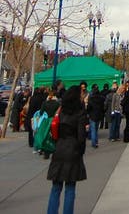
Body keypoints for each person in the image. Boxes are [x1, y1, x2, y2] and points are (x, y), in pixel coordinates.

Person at [46, 84, 87, 214]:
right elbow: (81, 137)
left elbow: (54, 130)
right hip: (73, 150)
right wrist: (81, 150)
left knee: (56, 187)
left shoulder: (61, 111)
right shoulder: (80, 113)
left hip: (59, 148)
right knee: (70, 188)